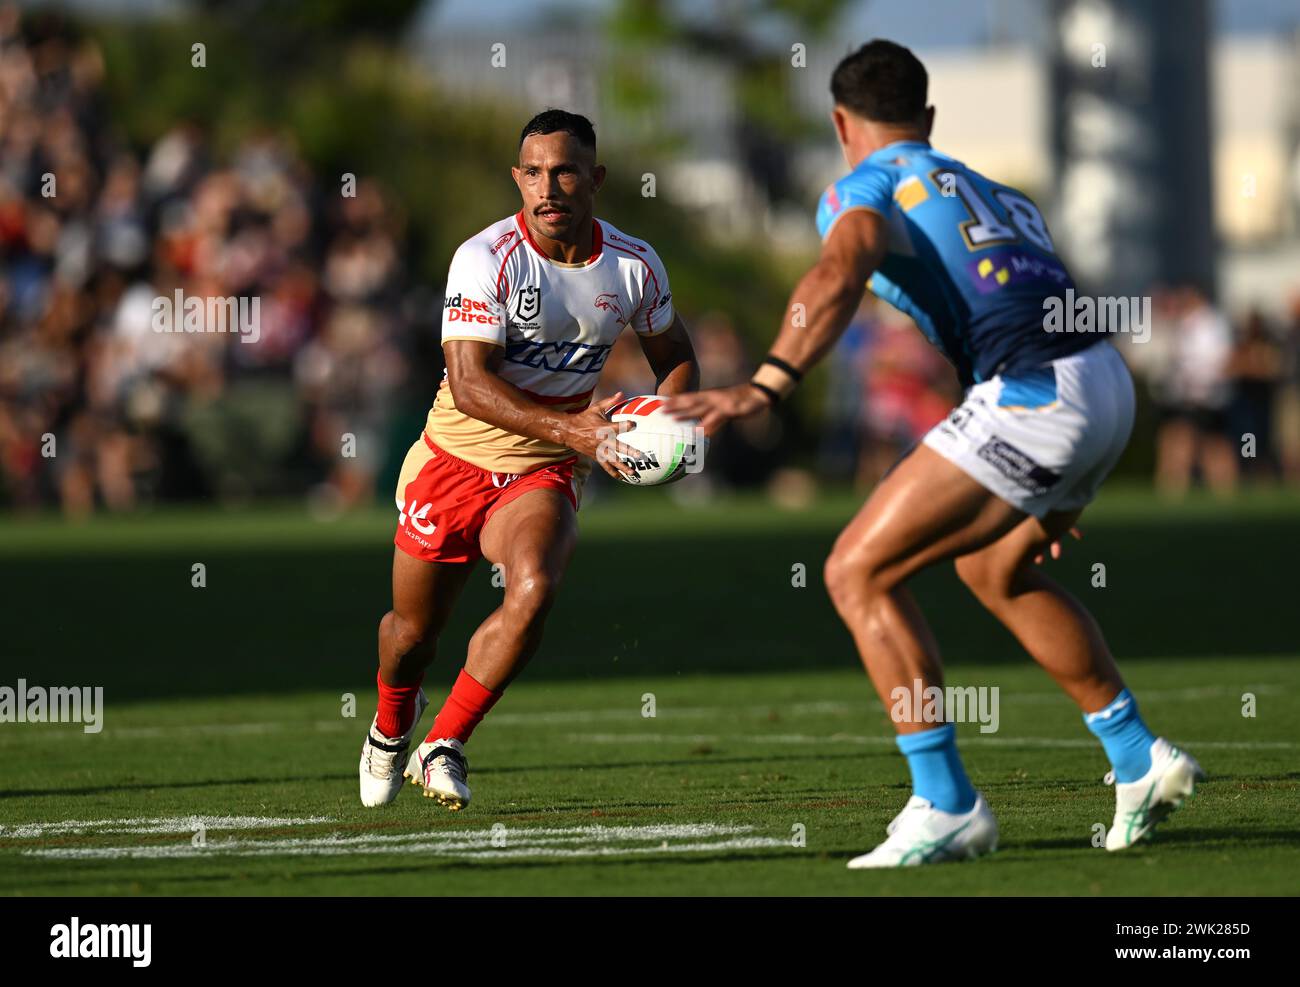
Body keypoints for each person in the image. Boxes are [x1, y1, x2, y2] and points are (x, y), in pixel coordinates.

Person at [668, 40, 1202, 867]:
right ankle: (1138, 756)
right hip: (1106, 383)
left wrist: (765, 385)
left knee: (856, 570)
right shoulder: (998, 191)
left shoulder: (863, 184)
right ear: (929, 120)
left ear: (841, 123)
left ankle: (945, 801)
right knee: (994, 570)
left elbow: (836, 274)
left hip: (1035, 393)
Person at [359, 109, 698, 810]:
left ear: (595, 179)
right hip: (453, 460)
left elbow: (676, 355)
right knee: (411, 635)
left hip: (541, 469)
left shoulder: (633, 265)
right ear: (517, 179)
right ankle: (392, 724)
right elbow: (470, 383)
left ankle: (444, 741)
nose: (549, 188)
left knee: (535, 585)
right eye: (534, 172)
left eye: (566, 170)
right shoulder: (484, 258)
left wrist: (675, 424)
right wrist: (578, 431)